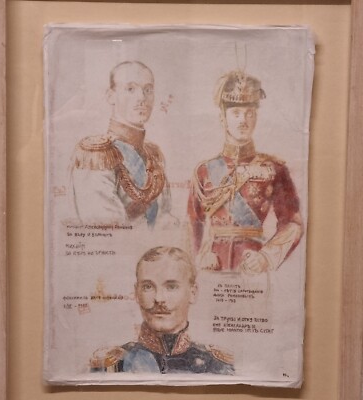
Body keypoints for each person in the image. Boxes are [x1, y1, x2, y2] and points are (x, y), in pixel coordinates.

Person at [188, 70, 303, 274]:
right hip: (211, 269)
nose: (243, 120)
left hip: (253, 269)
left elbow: (292, 223)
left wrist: (265, 257)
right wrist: (198, 256)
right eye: (236, 113)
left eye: (249, 113)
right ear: (223, 118)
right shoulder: (204, 171)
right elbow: (192, 223)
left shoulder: (275, 169)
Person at [90, 246, 234, 374]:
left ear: (193, 293)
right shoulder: (112, 364)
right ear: (136, 293)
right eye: (148, 287)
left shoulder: (216, 364)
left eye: (171, 287)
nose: (159, 298)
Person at [70, 61, 173, 228]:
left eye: (148, 90)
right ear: (111, 96)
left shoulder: (153, 155)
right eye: (130, 89)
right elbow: (107, 229)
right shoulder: (96, 155)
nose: (142, 98)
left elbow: (164, 216)